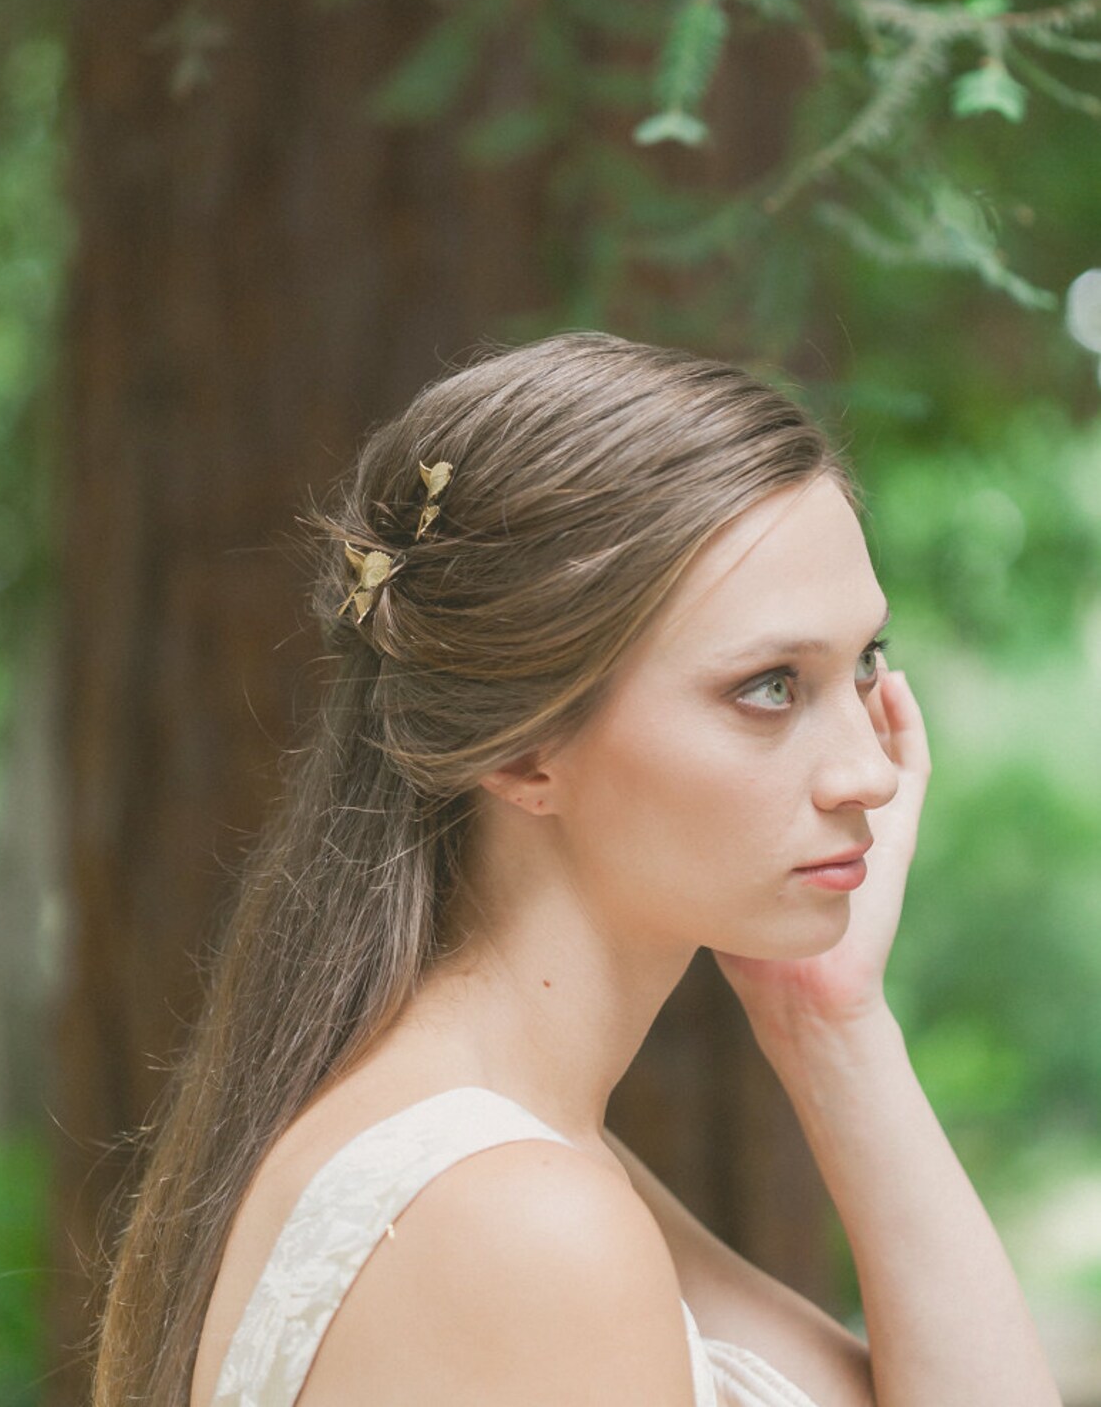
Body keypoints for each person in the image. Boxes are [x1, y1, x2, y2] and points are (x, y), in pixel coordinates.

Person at [92, 332, 1061, 1407]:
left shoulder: (518, 1154)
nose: (869, 772)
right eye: (771, 687)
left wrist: (831, 1022)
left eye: (865, 665)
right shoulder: (514, 1219)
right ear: (523, 749)